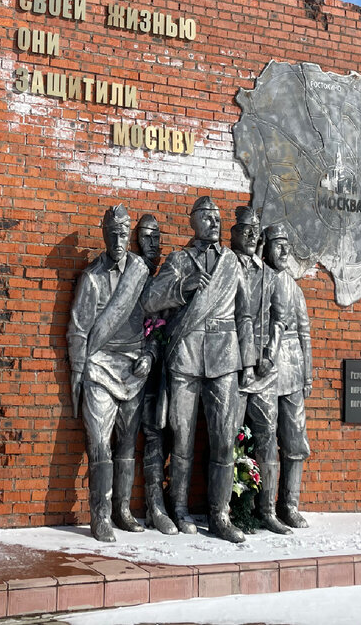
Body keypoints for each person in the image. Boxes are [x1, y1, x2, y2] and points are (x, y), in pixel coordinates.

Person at [143, 196, 253, 543]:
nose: (215, 222)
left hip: (224, 357)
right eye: (207, 217)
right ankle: (178, 508)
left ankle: (221, 515)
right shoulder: (178, 260)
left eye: (218, 218)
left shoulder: (232, 263)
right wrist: (182, 287)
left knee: (223, 440)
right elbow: (149, 301)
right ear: (192, 221)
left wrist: (247, 364)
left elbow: (245, 314)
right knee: (182, 439)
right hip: (186, 356)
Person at [68, 204, 153, 541]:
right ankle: (100, 516)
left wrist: (150, 354)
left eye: (123, 233)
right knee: (100, 445)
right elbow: (77, 329)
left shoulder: (140, 272)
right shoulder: (91, 278)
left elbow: (155, 321)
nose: (119, 239)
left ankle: (123, 510)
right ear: (103, 234)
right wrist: (79, 369)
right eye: (112, 233)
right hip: (99, 368)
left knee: (128, 445)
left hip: (133, 368)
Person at [231, 207, 290, 534]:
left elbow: (279, 317)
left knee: (268, 440)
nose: (252, 236)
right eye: (246, 230)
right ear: (234, 233)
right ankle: (230, 510)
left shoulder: (269, 275)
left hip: (265, 371)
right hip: (235, 369)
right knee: (227, 440)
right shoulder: (227, 267)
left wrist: (271, 352)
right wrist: (246, 361)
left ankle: (266, 510)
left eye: (256, 231)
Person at [256, 223, 313, 530]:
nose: (283, 250)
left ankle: (289, 504)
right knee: (263, 439)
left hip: (291, 369)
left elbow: (304, 332)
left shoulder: (293, 286)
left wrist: (307, 375)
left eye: (286, 245)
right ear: (265, 246)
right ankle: (262, 506)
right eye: (277, 244)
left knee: (294, 440)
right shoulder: (258, 278)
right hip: (262, 371)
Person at [133, 213, 176, 534]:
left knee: (161, 436)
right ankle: (144, 506)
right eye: (147, 238)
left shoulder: (164, 279)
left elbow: (165, 324)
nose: (153, 245)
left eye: (157, 239)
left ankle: (160, 504)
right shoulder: (131, 276)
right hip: (127, 368)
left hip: (160, 370)